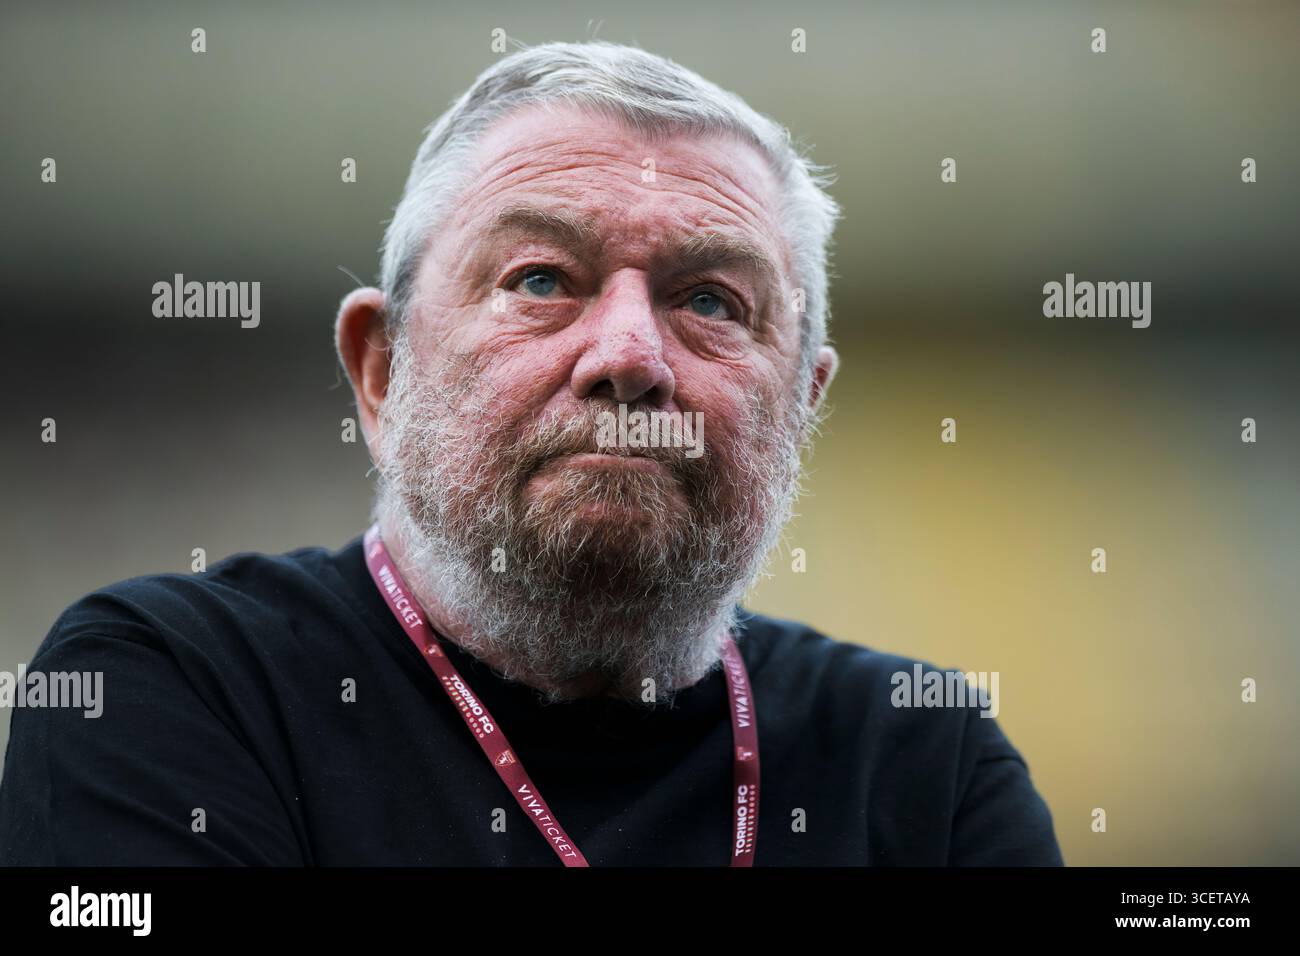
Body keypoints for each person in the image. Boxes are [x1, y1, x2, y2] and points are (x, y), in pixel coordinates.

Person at [0, 41, 1062, 866]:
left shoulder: (924, 761)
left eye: (710, 299)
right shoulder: (173, 687)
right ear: (381, 370)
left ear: (802, 404)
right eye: (541, 279)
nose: (631, 356)